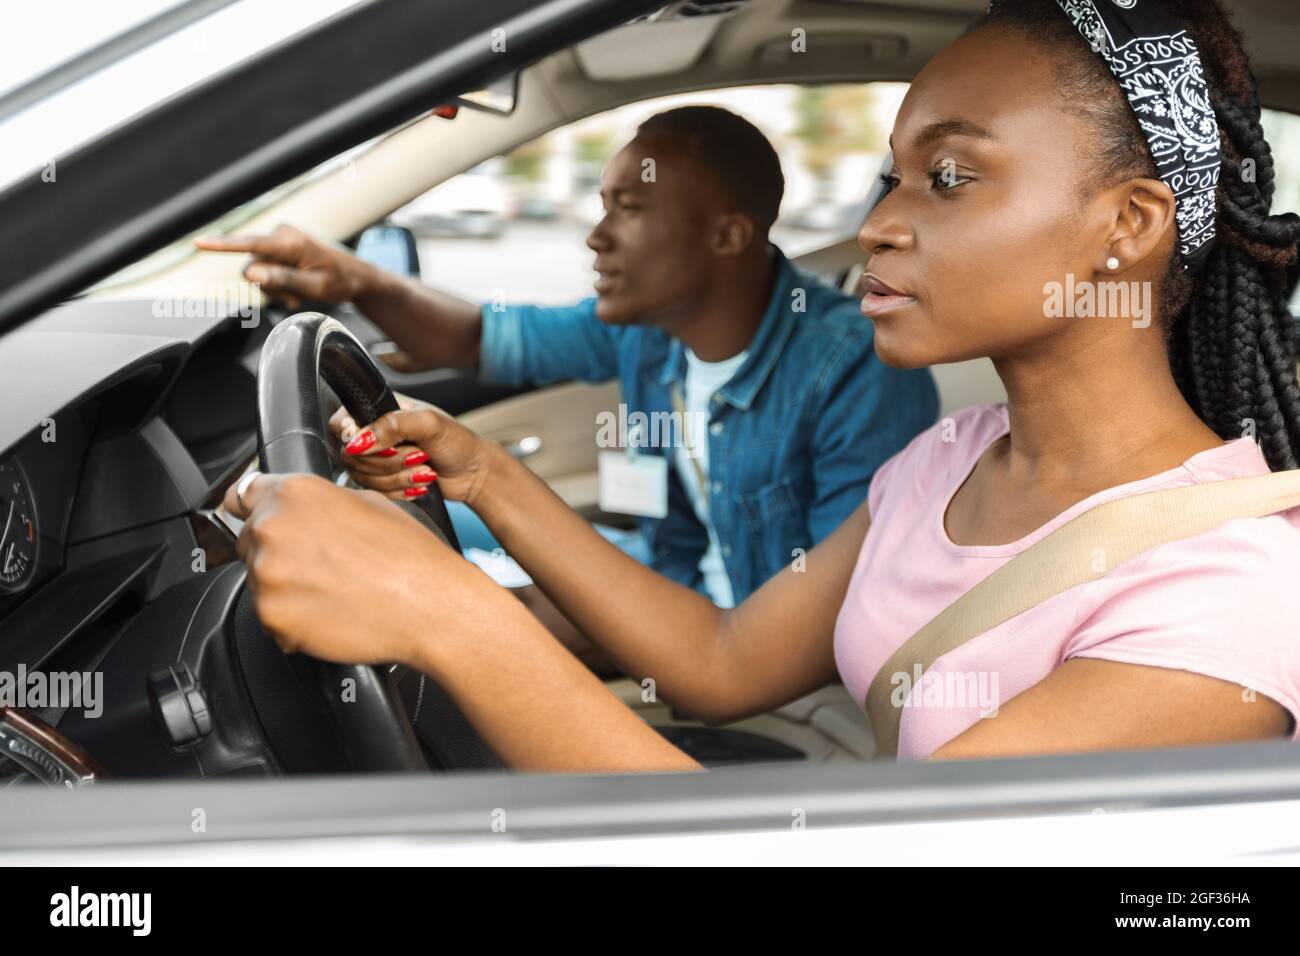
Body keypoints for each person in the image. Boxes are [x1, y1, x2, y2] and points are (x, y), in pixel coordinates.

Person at [224, 0, 1300, 773]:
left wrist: (440, 611)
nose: (878, 220)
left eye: (950, 176)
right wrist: (484, 473)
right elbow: (722, 660)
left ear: (1127, 227)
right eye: (891, 173)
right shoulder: (952, 456)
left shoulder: (1220, 597)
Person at [198, 106, 938, 618]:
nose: (596, 236)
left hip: (745, 647)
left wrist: (508, 623)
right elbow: (475, 339)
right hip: (670, 573)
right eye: (603, 204)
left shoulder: (854, 370)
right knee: (402, 525)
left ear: (727, 236)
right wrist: (358, 279)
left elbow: (826, 621)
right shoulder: (648, 329)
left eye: (630, 209)